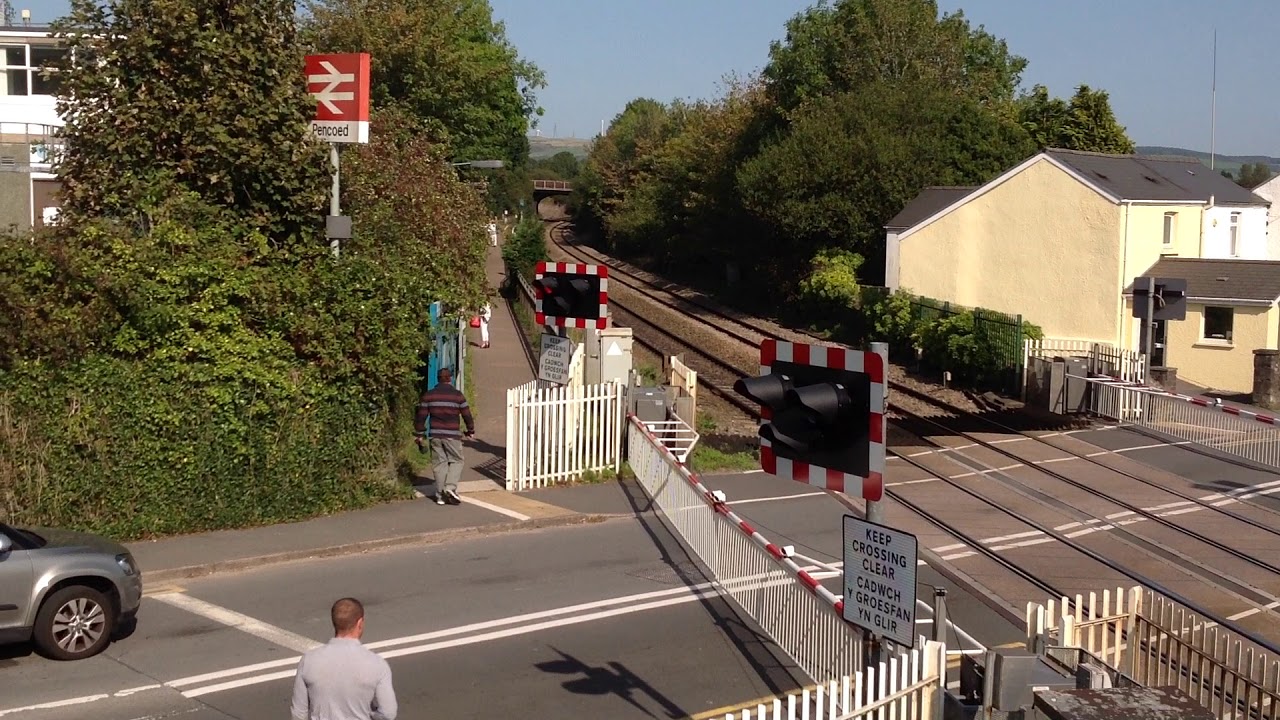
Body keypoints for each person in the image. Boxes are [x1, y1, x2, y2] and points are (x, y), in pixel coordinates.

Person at [290, 598, 396, 720]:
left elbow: (298, 714)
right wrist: (371, 715)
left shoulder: (309, 660)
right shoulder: (377, 664)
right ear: (360, 623)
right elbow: (388, 713)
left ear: (334, 622)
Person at [414, 368, 475, 505]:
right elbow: (466, 414)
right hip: (452, 434)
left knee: (439, 463)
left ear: (438, 378)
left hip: (435, 434)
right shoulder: (458, 396)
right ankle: (450, 487)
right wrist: (470, 430)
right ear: (450, 378)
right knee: (457, 460)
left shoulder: (429, 395)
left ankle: (440, 495)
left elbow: (421, 416)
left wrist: (419, 434)